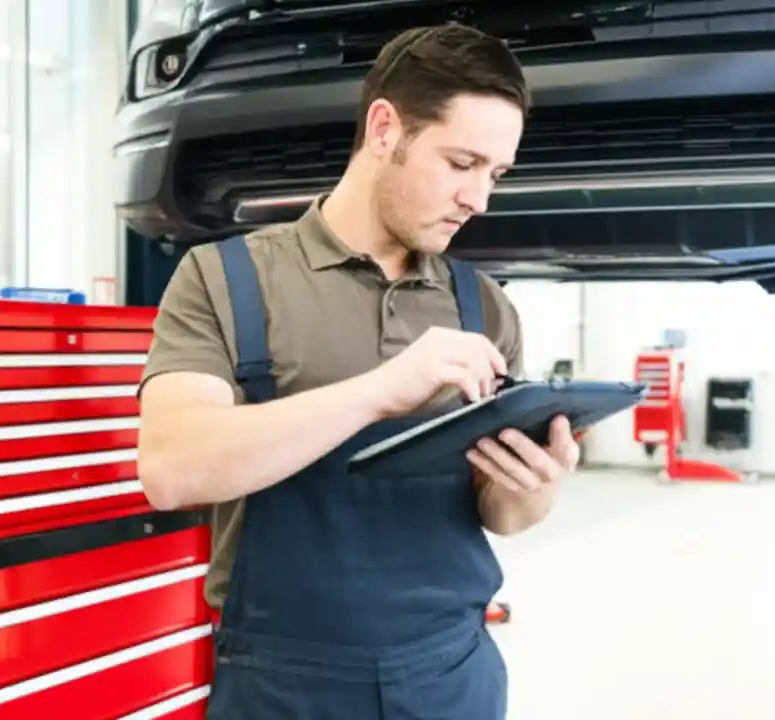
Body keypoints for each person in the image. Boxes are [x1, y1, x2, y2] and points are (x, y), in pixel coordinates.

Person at [137, 23, 580, 719]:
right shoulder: (225, 279)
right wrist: (381, 392)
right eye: (461, 162)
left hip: (452, 675)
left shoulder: (485, 306)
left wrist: (535, 487)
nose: (479, 199)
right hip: (282, 684)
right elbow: (172, 468)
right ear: (384, 130)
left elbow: (499, 513)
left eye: (496, 174)